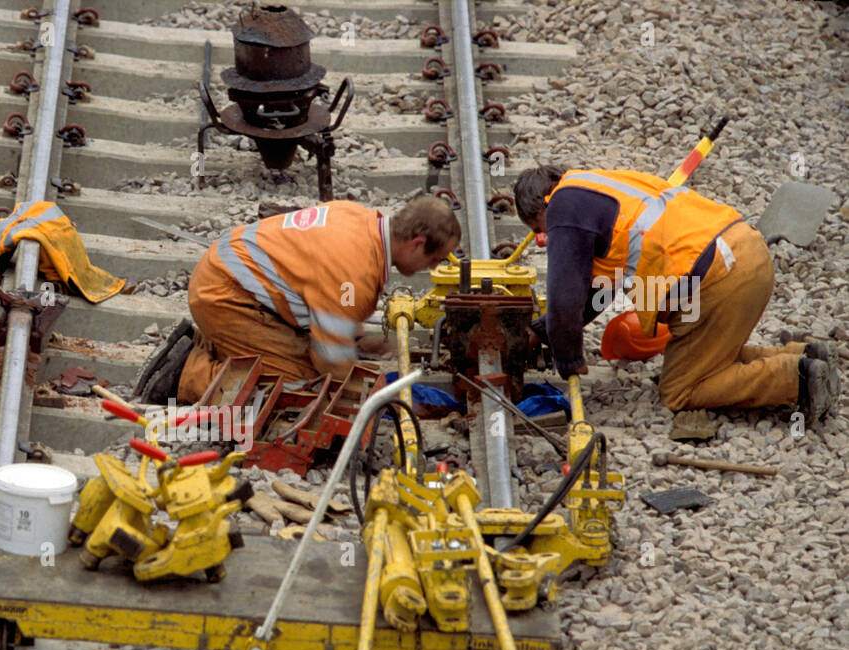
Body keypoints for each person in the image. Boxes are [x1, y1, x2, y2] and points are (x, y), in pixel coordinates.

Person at [513, 166, 839, 424]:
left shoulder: (562, 210)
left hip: (714, 278)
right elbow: (598, 291)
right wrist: (543, 333)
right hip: (747, 253)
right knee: (709, 357)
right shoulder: (598, 188)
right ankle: (808, 354)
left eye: (537, 230)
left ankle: (797, 378)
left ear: (541, 204)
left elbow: (563, 297)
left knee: (681, 389)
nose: (544, 238)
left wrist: (568, 359)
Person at [174, 196, 461, 403]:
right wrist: (376, 400)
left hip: (230, 273)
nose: (434, 268)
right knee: (300, 385)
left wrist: (356, 340)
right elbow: (332, 364)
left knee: (312, 364)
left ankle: (220, 344)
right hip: (224, 295)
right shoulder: (354, 270)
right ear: (417, 244)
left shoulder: (358, 217)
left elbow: (328, 294)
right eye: (434, 259)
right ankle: (190, 373)